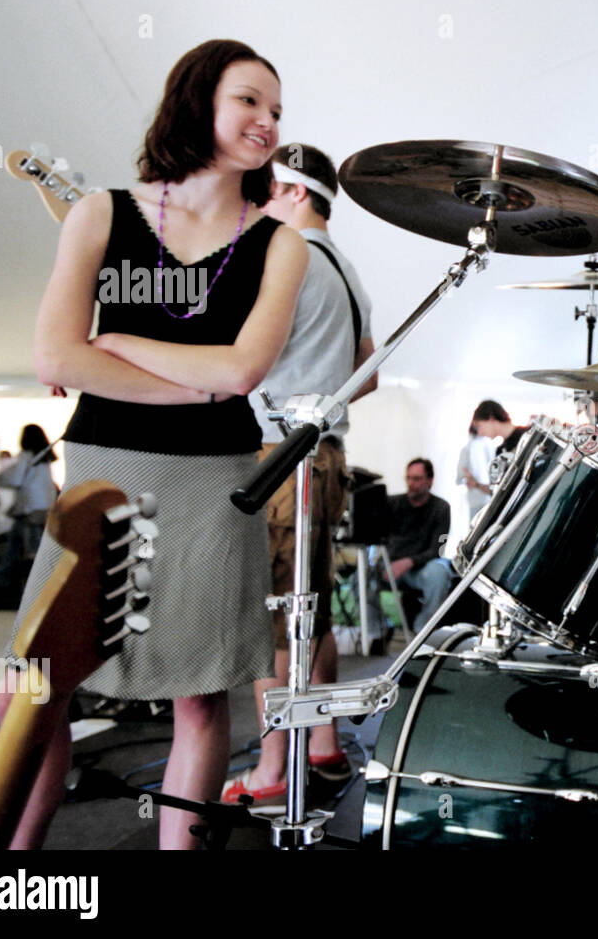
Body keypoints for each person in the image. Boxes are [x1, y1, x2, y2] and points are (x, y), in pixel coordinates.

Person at [0, 39, 306, 849]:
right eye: (250, 101)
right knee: (32, 688)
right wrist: (194, 378)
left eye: (276, 111)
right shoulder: (102, 211)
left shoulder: (283, 243)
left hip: (215, 482)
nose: (267, 122)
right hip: (104, 468)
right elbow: (56, 357)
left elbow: (242, 370)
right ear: (198, 99)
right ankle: (10, 859)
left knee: (202, 697)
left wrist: (121, 344)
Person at [221, 143, 377, 806]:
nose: (255, 202)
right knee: (308, 611)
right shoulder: (347, 270)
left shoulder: (288, 260)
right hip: (327, 456)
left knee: (272, 621)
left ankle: (270, 772)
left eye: (266, 190)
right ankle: (323, 744)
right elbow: (370, 374)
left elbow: (241, 362)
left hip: (279, 457)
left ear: (294, 193)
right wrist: (321, 394)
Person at [381, 458, 452, 629]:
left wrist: (408, 561)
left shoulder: (441, 508)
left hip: (419, 568)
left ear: (430, 480)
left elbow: (437, 549)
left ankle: (423, 631)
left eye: (417, 479)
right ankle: (377, 629)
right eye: (409, 478)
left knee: (439, 574)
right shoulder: (391, 504)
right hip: (389, 566)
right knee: (358, 579)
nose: (411, 484)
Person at [0, 424, 59, 592]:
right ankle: (8, 581)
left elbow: (15, 479)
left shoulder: (26, 456)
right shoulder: (46, 458)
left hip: (28, 507)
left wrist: (0, 477)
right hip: (44, 506)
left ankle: (3, 582)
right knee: (29, 546)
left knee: (23, 548)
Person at [458, 412, 495, 518]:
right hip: (486, 494)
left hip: (479, 493)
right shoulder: (489, 445)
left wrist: (465, 479)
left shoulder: (468, 448)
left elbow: (460, 474)